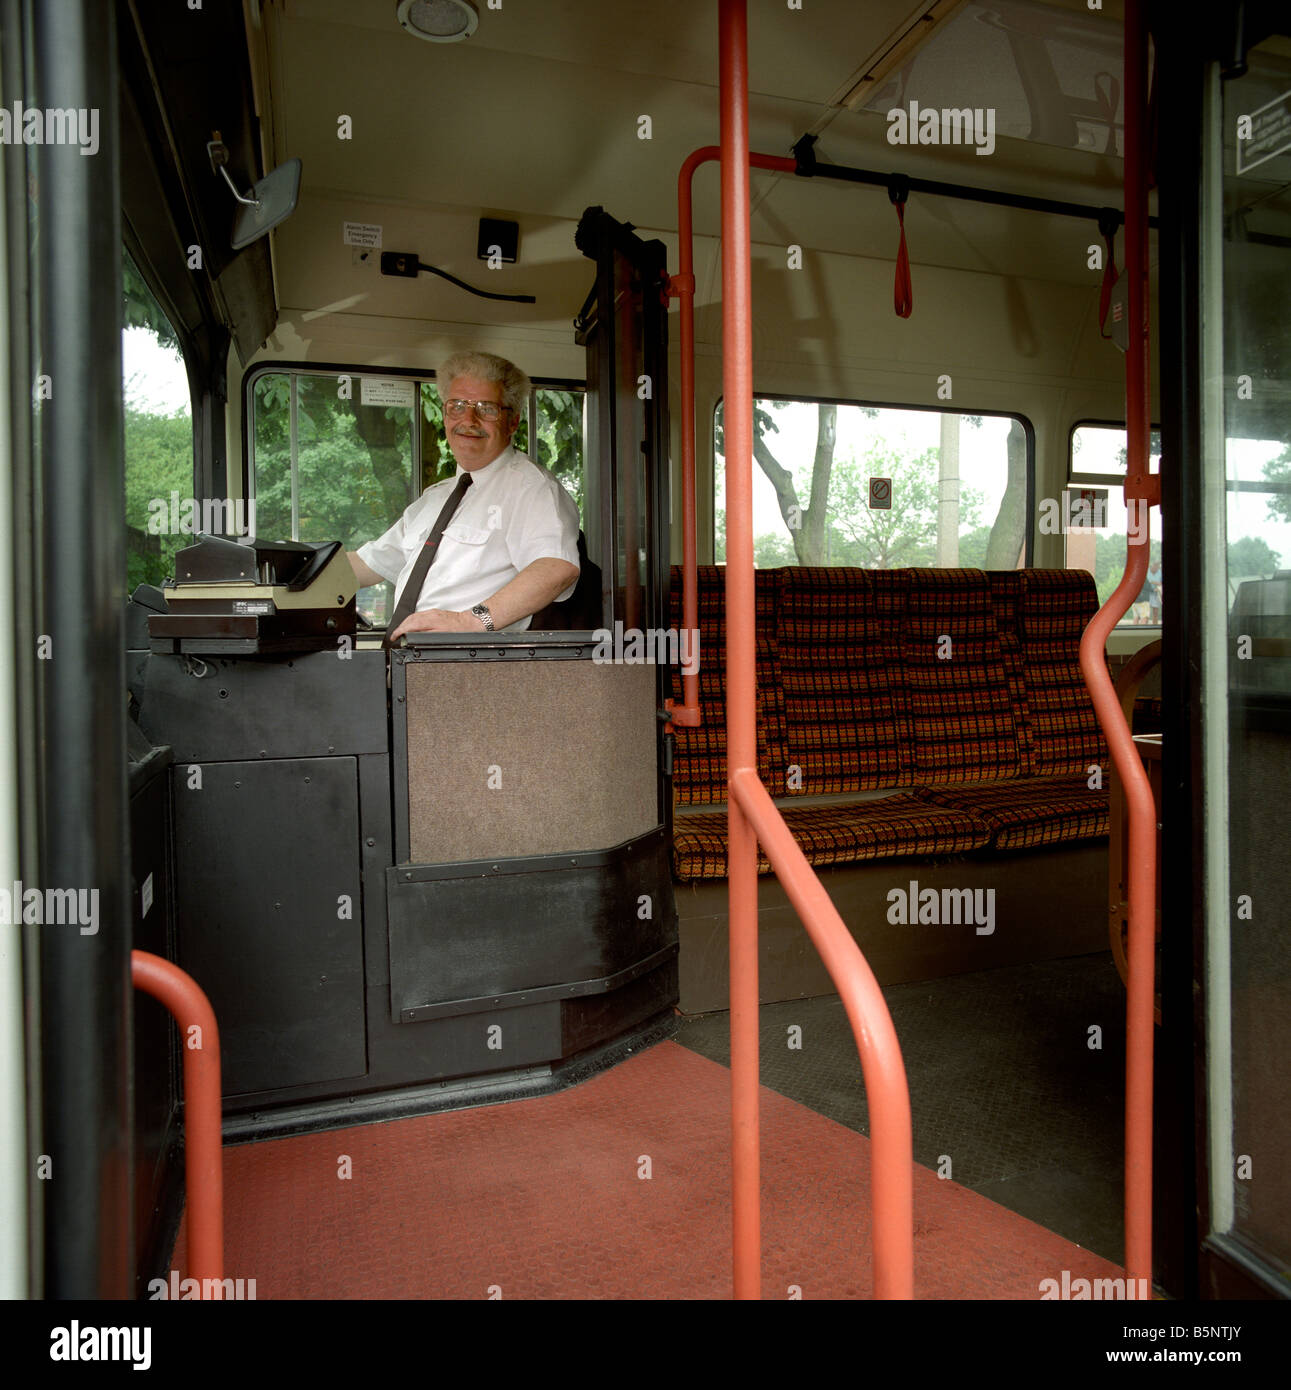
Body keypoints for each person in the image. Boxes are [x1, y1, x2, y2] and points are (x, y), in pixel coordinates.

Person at [347, 351, 579, 638]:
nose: (468, 419)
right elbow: (368, 564)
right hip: (408, 662)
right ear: (445, 415)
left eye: (487, 408)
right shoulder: (434, 499)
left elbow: (557, 567)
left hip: (467, 667)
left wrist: (469, 623)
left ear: (512, 422)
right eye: (457, 406)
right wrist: (292, 569)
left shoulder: (530, 487)